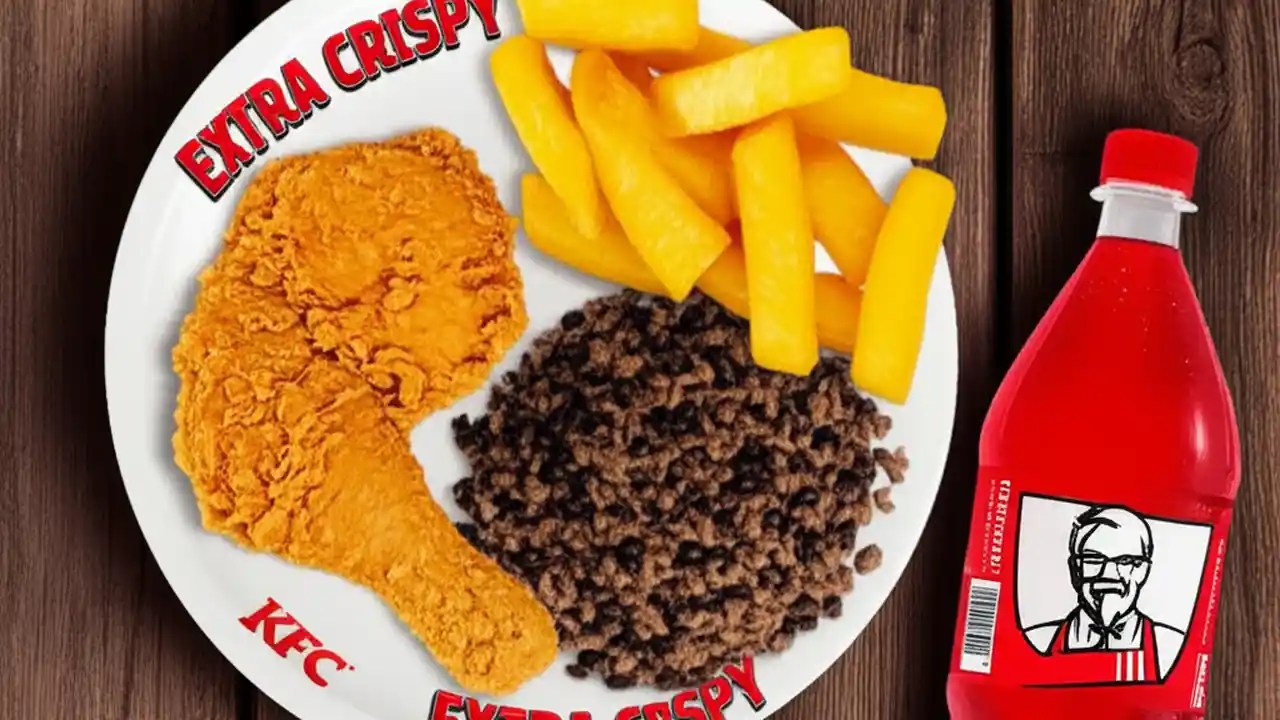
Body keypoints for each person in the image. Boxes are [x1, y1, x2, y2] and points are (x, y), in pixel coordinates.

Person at [1024, 506, 1184, 682]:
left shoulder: (1169, 646)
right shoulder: (1039, 641)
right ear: (1075, 569)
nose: (1109, 574)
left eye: (1125, 561)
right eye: (1094, 559)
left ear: (1143, 571)